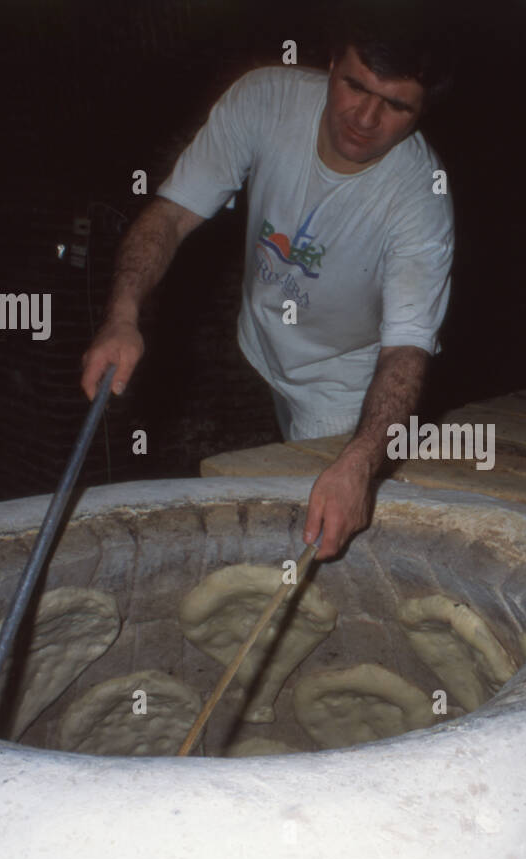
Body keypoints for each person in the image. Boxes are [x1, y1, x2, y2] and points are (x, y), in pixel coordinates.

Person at [80, 8, 454, 561]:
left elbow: (406, 351)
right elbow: (171, 214)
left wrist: (360, 464)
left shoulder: (421, 200)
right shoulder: (264, 100)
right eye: (355, 86)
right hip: (265, 343)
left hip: (343, 386)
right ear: (331, 63)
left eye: (396, 105)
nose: (365, 117)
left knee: (321, 535)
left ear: (421, 113)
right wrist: (122, 314)